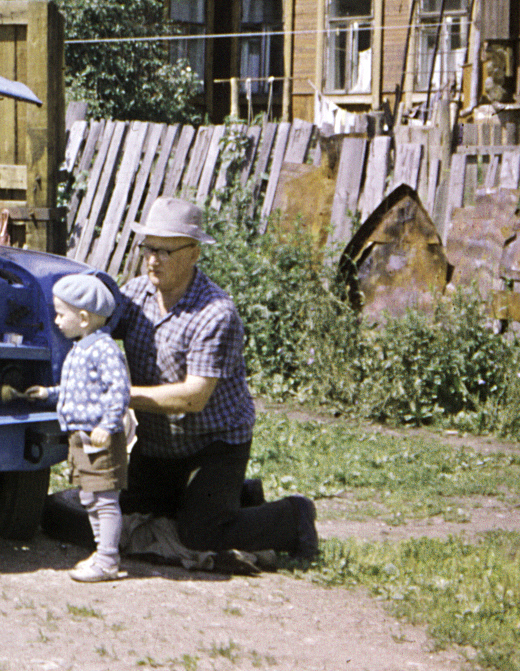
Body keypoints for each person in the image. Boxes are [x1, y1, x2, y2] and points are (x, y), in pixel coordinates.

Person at [117, 197, 318, 560]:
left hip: (214, 443)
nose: (152, 259)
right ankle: (238, 496)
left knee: (201, 533)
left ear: (194, 253)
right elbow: (93, 324)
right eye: (148, 247)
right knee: (124, 522)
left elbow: (193, 398)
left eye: (165, 250)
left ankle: (293, 515)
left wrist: (121, 395)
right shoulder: (133, 295)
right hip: (159, 444)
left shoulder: (216, 313)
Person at [23, 273, 132, 582]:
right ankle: (101, 552)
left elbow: (119, 390)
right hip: (80, 437)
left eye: (61, 314)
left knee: (104, 498)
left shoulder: (104, 349)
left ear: (83, 318)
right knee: (88, 497)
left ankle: (109, 559)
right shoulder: (81, 347)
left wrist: (108, 425)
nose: (56, 321)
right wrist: (49, 393)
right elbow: (77, 390)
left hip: (99, 438)